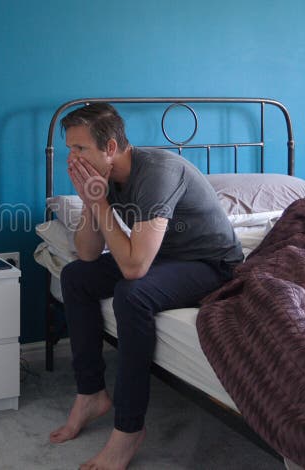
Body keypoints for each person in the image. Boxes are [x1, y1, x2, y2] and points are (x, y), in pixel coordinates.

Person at [48, 103, 243, 470]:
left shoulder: (157, 173)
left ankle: (129, 429)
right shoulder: (106, 176)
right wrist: (93, 203)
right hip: (163, 255)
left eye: (80, 149)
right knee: (75, 276)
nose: (72, 159)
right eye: (69, 150)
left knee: (131, 294)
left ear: (109, 148)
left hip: (211, 264)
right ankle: (90, 393)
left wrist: (100, 202)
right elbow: (88, 255)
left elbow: (135, 268)